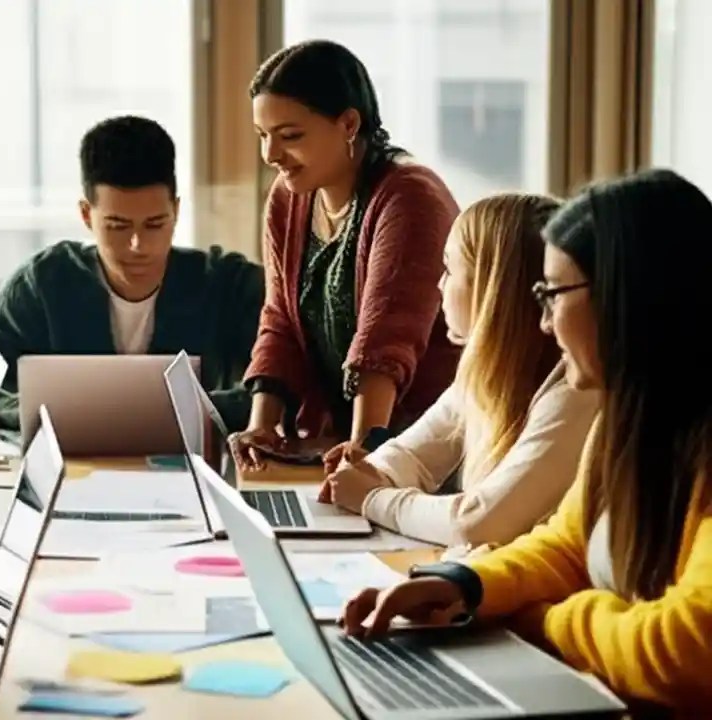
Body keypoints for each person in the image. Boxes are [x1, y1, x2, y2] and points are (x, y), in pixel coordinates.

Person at [342, 169, 712, 711]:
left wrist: (540, 620)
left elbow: (684, 647)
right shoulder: (627, 421)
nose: (543, 323)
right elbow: (567, 547)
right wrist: (461, 585)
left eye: (554, 295)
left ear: (626, 295)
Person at [0, 115, 264, 432]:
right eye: (118, 226)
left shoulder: (227, 284)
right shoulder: (46, 283)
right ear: (86, 215)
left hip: (194, 470)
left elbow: (285, 384)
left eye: (155, 224)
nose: (138, 245)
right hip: (69, 472)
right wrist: (42, 412)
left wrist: (174, 412)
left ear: (176, 211)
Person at [319, 193, 599, 556]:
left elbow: (479, 522)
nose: (439, 285)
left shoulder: (575, 391)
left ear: (492, 290)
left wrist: (373, 498)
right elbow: (415, 454)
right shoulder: (482, 374)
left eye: (450, 269)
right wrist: (375, 471)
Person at [230, 40, 461, 470]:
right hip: (335, 442)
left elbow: (385, 340)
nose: (270, 155)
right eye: (263, 136)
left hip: (427, 450)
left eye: (290, 136)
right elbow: (279, 319)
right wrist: (261, 428)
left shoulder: (409, 198)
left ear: (348, 123)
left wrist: (362, 452)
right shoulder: (288, 196)